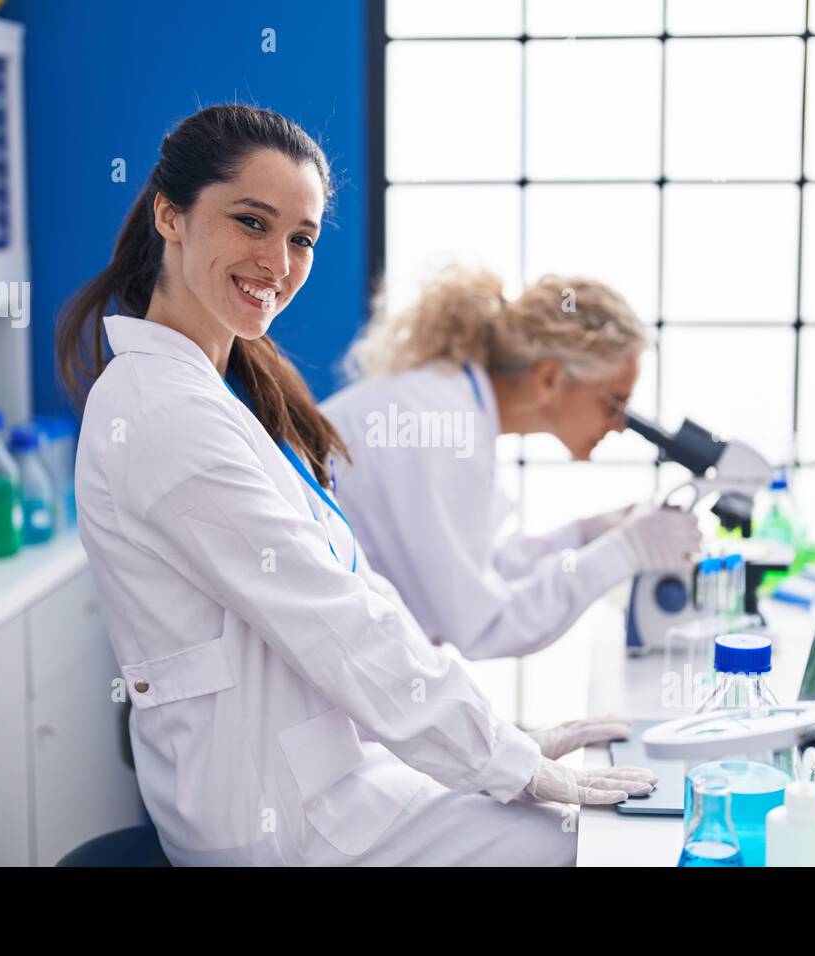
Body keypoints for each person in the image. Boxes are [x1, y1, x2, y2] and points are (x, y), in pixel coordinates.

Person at [58, 105, 656, 867]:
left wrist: (504, 743)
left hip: (336, 775)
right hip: (277, 815)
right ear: (170, 216)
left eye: (301, 239)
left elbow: (362, 595)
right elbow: (334, 619)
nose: (277, 262)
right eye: (251, 222)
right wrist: (505, 758)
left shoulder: (215, 394)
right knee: (582, 847)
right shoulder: (164, 415)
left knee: (580, 831)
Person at [321, 269, 702, 659]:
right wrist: (624, 551)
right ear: (550, 379)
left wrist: (583, 536)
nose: (619, 427)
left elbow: (485, 566)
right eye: (614, 405)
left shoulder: (452, 401)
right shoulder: (441, 426)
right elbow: (485, 627)